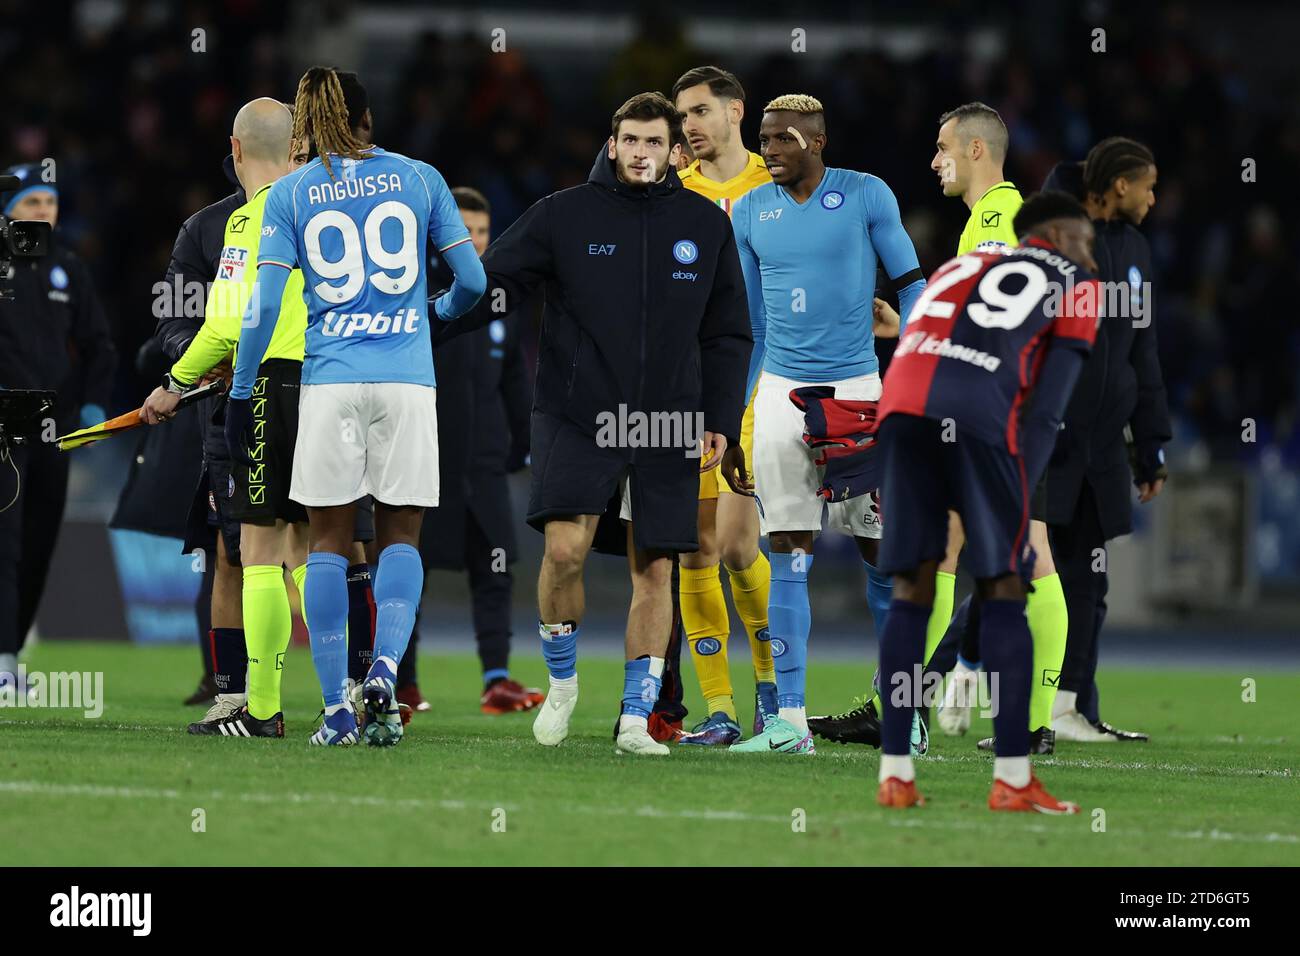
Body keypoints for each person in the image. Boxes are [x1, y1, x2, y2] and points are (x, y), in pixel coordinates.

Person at [436, 91, 752, 756]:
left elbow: (727, 333)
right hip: (579, 413)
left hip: (670, 421)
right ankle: (561, 682)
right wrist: (426, 320)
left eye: (654, 143)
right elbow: (497, 286)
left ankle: (637, 717)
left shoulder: (706, 224)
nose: (641, 153)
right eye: (630, 141)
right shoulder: (562, 216)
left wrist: (721, 417)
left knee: (655, 569)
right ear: (613, 145)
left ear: (674, 152)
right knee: (562, 552)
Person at [227, 66, 487, 747]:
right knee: (401, 538)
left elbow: (260, 306)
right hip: (405, 381)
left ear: (308, 125)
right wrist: (434, 312)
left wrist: (242, 382)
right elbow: (474, 281)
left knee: (328, 547)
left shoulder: (291, 194)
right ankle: (386, 672)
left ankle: (337, 712)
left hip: (330, 382)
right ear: (371, 119)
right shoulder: (420, 177)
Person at [873, 191, 1098, 812]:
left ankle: (895, 772)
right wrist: (1018, 489)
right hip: (978, 419)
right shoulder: (1079, 285)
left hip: (903, 407)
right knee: (1004, 586)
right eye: (1082, 240)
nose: (1090, 255)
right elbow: (1048, 408)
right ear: (1053, 233)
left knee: (911, 587)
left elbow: (916, 341)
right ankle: (1013, 780)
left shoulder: (956, 266)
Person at [723, 94, 927, 756]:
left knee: (881, 554)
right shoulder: (750, 211)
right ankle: (789, 722)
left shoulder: (866, 196)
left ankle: (906, 712)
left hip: (860, 392)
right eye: (762, 140)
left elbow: (914, 289)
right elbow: (749, 325)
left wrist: (911, 378)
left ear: (816, 140)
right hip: (781, 392)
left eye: (780, 139)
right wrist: (736, 415)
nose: (769, 151)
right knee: (787, 548)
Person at [142, 98, 311, 738]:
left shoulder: (246, 221)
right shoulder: (334, 210)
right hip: (338, 390)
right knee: (326, 548)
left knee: (256, 551)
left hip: (263, 389)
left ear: (235, 150)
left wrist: (174, 383)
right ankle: (351, 697)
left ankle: (256, 707)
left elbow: (225, 322)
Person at [1039, 137, 1169, 743]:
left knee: (1088, 579)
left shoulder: (1137, 247)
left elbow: (1143, 351)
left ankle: (1071, 710)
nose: (1153, 197)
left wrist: (1151, 443)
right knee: (1017, 576)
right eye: (1147, 185)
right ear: (1120, 185)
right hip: (1047, 438)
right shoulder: (1054, 236)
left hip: (1101, 447)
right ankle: (949, 678)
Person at [399, 186, 542, 716]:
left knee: (496, 569)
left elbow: (514, 383)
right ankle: (402, 681)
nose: (474, 241)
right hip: (423, 457)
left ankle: (497, 680)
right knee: (409, 569)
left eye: (482, 232)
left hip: (483, 465)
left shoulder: (497, 301)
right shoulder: (416, 295)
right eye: (465, 231)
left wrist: (523, 444)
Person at [668, 65, 777, 747]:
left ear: (738, 111)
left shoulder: (780, 181)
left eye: (702, 111)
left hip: (763, 379)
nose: (691, 127)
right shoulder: (673, 190)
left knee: (739, 545)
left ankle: (775, 691)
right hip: (688, 387)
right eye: (683, 118)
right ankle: (720, 711)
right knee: (695, 549)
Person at [0, 164, 117, 693]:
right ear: (8, 212)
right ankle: (1, 663)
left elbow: (100, 346)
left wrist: (93, 405)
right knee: (6, 542)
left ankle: (11, 655)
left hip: (54, 429)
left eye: (49, 203)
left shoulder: (69, 268)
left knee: (41, 542)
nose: (44, 213)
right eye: (31, 204)